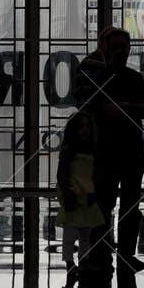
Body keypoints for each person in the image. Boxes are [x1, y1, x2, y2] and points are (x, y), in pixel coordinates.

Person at [76, 26, 144, 270]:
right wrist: (129, 108)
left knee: (114, 203)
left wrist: (118, 108)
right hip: (114, 149)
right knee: (111, 203)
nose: (121, 51)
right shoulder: (129, 79)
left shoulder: (102, 80)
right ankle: (119, 256)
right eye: (116, 47)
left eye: (124, 47)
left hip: (116, 149)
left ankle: (110, 256)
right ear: (106, 49)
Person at [56, 111, 105, 278]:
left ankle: (83, 261)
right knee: (71, 234)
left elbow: (95, 174)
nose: (84, 130)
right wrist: (66, 193)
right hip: (73, 195)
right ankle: (70, 262)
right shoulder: (69, 150)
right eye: (81, 127)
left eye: (87, 127)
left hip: (87, 195)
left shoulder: (91, 150)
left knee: (85, 234)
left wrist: (94, 192)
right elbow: (62, 174)